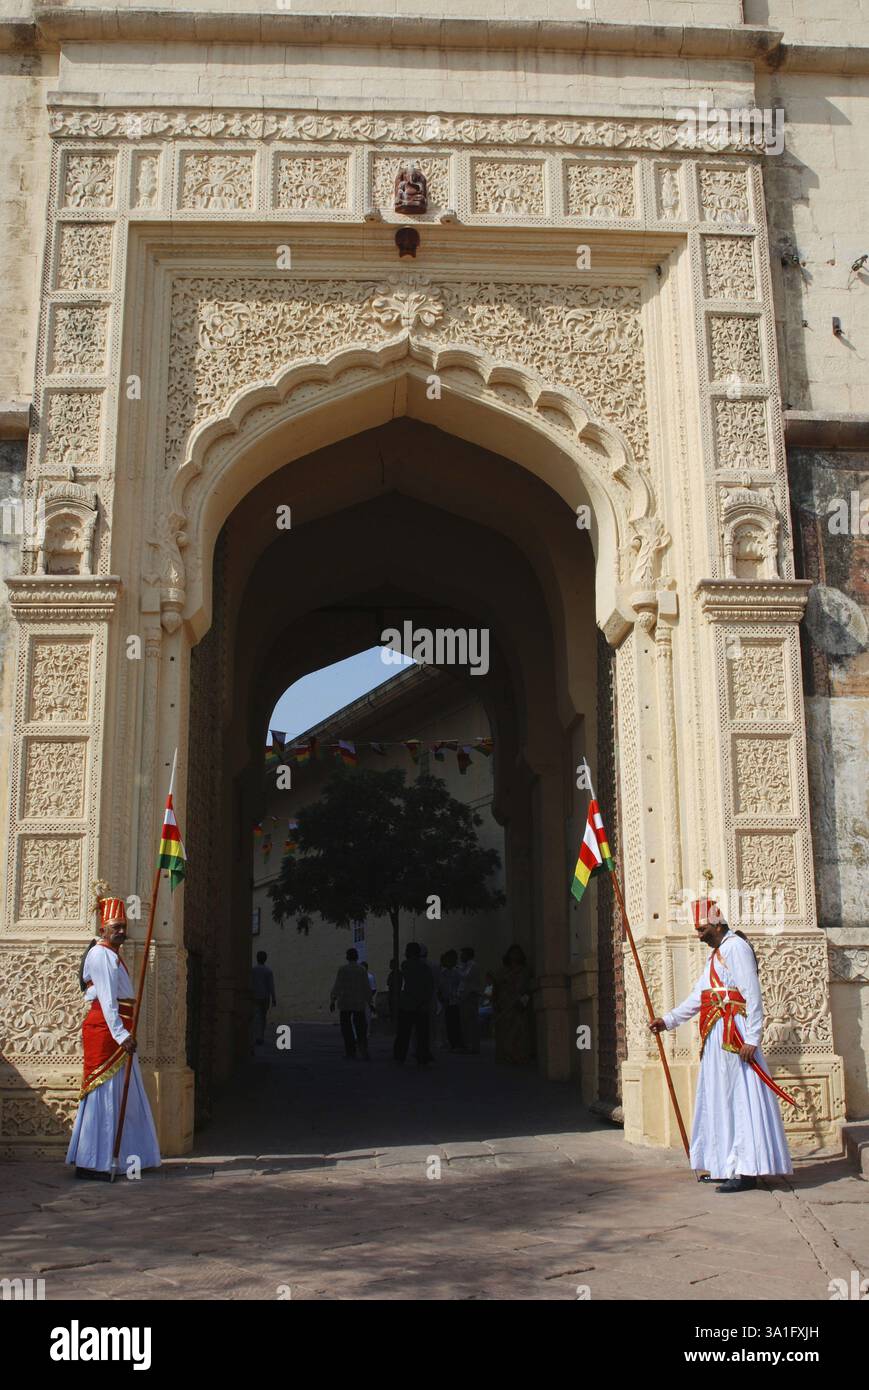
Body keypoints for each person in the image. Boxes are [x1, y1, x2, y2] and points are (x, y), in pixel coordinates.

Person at [649, 898, 794, 1193]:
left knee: (741, 1097)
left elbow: (752, 994)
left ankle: (747, 1168)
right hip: (717, 1034)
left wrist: (753, 1037)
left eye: (702, 929)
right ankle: (726, 1164)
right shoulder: (716, 955)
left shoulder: (735, 948)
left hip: (736, 1033)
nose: (698, 934)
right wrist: (668, 1020)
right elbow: (698, 996)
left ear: (717, 924)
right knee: (719, 1097)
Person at [66, 891, 161, 1180]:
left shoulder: (111, 955)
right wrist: (121, 1035)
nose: (121, 931)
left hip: (115, 1029)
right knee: (104, 1095)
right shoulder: (102, 955)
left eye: (123, 926)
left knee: (121, 1094)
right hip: (108, 1032)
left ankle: (117, 1158)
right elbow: (107, 999)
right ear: (103, 928)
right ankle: (95, 1160)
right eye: (115, 926)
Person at [393, 942, 435, 1066]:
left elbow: (404, 985)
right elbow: (429, 986)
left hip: (407, 1004)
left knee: (403, 1033)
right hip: (422, 1005)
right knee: (422, 1034)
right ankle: (422, 1057)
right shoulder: (425, 967)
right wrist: (424, 1001)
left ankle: (400, 1056)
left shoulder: (406, 965)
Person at [493, 944, 534, 1063]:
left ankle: (519, 1056)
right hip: (504, 1005)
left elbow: (528, 990)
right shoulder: (502, 971)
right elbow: (496, 988)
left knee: (519, 1032)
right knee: (504, 1032)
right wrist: (496, 1003)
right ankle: (505, 1056)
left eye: (517, 953)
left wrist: (524, 1003)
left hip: (518, 1005)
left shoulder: (526, 971)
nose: (515, 955)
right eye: (513, 952)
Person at [330, 948, 371, 1060]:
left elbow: (337, 986)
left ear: (347, 957)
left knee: (346, 1029)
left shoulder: (343, 970)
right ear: (357, 957)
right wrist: (369, 1002)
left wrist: (333, 1000)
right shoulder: (362, 970)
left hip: (345, 1002)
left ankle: (350, 1052)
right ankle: (363, 1050)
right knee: (361, 1028)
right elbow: (366, 987)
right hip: (358, 1003)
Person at [457, 946, 482, 1055]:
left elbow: (465, 977)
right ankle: (467, 1046)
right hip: (464, 997)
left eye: (462, 954)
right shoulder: (464, 966)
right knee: (465, 1023)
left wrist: (456, 970)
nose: (460, 956)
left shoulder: (473, 965)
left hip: (470, 997)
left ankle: (474, 1047)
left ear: (468, 954)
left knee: (471, 1023)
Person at [251, 950, 276, 1047]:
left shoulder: (253, 970)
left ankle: (255, 1036)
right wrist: (274, 998)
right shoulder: (268, 971)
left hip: (255, 996)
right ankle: (261, 1036)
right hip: (265, 997)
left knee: (256, 1016)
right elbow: (271, 986)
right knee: (263, 1016)